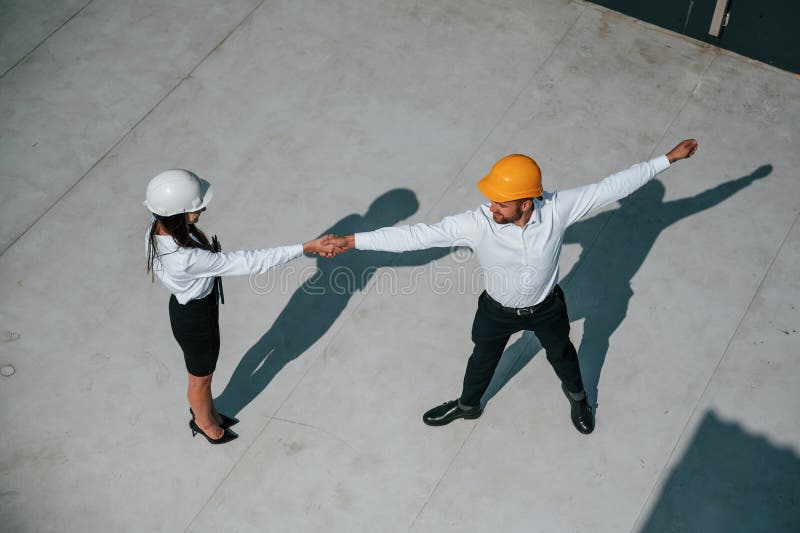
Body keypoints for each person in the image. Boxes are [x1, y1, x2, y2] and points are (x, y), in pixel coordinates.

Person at [330, 139, 698, 434]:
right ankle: (467, 406)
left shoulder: (557, 209)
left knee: (563, 354)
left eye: (500, 203)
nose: (491, 207)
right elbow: (416, 236)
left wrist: (668, 159)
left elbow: (611, 186)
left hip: (547, 308)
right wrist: (353, 241)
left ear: (526, 202)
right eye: (492, 199)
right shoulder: (477, 223)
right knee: (482, 359)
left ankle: (579, 399)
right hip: (496, 312)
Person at [144, 169, 337, 444]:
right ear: (178, 214)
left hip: (192, 310)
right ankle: (203, 421)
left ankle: (209, 412)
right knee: (200, 380)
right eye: (196, 207)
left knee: (204, 375)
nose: (202, 209)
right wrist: (306, 247)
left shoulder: (157, 228)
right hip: (196, 320)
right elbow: (251, 261)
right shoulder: (186, 259)